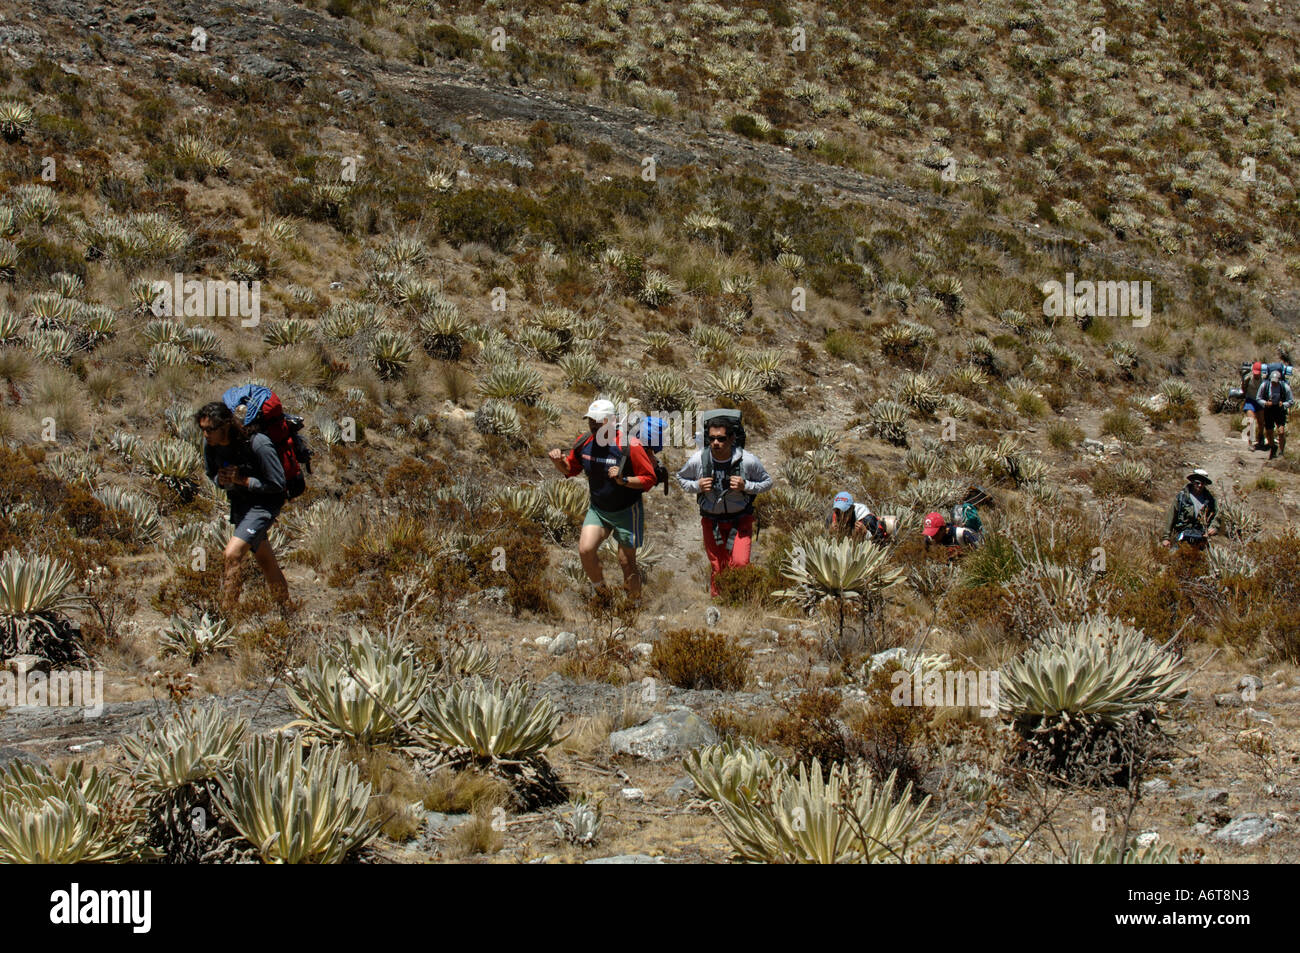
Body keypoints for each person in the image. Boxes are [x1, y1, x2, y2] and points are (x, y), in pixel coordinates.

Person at [548, 399, 658, 599]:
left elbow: (649, 479)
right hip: (599, 510)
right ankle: (602, 596)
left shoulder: (629, 445)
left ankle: (633, 607)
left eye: (598, 421)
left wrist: (623, 480)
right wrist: (558, 462)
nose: (593, 425)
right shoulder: (585, 442)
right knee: (585, 550)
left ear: (611, 421)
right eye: (591, 420)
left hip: (627, 511)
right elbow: (570, 469)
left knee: (626, 561)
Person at [196, 401, 290, 613]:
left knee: (232, 554)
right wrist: (222, 480)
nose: (205, 435)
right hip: (240, 505)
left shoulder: (258, 443)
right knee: (265, 560)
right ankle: (287, 612)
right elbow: (211, 473)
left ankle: (228, 617)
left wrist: (244, 480)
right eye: (202, 429)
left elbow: (278, 484)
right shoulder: (211, 446)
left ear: (225, 426)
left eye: (210, 430)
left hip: (264, 505)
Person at [676, 415, 773, 596]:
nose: (715, 443)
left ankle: (740, 601)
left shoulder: (748, 461)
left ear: (731, 438)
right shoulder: (699, 460)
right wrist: (696, 486)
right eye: (712, 438)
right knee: (718, 567)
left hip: (741, 520)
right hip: (712, 522)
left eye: (721, 438)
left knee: (741, 563)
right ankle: (720, 606)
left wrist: (747, 486)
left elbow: (767, 482)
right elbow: (681, 478)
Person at [1162, 468, 1218, 549]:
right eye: (1197, 483)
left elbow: (1216, 516)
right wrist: (1166, 538)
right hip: (1181, 537)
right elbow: (1171, 517)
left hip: (1201, 538)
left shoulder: (1210, 500)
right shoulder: (1181, 497)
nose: (1200, 485)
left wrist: (1214, 528)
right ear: (1192, 481)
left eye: (1203, 483)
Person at [827, 491, 893, 542]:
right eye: (838, 512)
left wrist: (866, 534)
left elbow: (880, 542)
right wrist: (830, 532)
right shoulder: (831, 518)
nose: (841, 516)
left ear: (852, 509)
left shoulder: (867, 519)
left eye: (845, 512)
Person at [1256, 369, 1293, 459]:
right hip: (1269, 410)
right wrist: (1265, 403)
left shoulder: (1285, 387)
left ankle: (1281, 451)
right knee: (1269, 432)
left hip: (1279, 411)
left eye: (1275, 382)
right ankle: (1273, 447)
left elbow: (1291, 401)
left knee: (1281, 431)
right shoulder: (1265, 385)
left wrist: (1283, 404)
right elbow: (1258, 398)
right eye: (1272, 382)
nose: (1273, 383)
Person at [1241, 361, 1266, 450]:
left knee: (1261, 422)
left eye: (1258, 373)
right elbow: (1243, 388)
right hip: (1250, 401)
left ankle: (1260, 437)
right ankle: (1250, 442)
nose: (1256, 375)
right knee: (1250, 421)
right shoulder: (1248, 378)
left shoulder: (1264, 379)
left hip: (1260, 401)